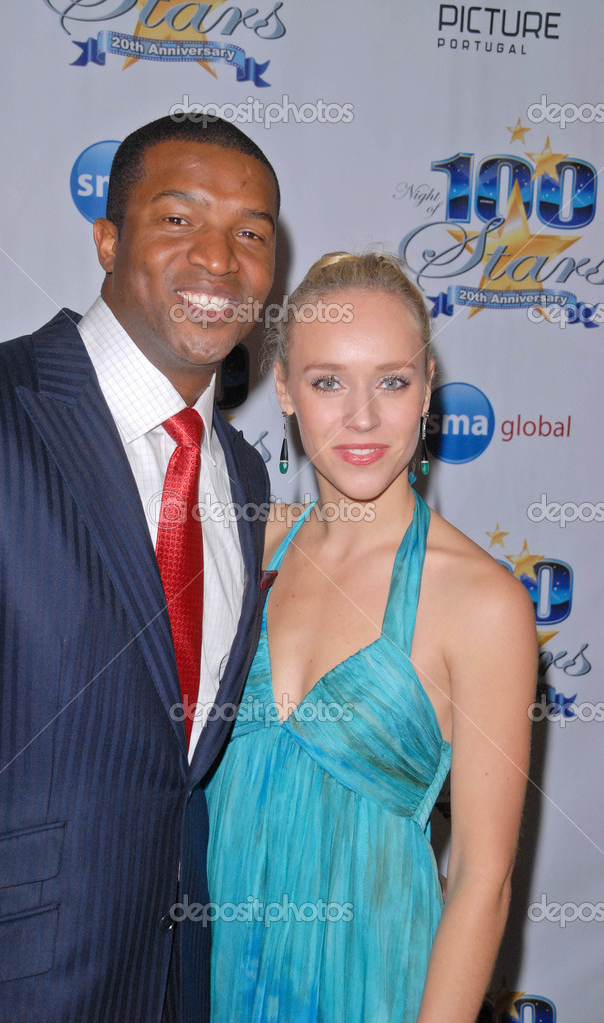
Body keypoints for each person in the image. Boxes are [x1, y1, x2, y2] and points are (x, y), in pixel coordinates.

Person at [0, 114, 278, 1022]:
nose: (218, 258)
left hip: (175, 976)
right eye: (177, 219)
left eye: (250, 233)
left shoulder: (242, 473)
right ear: (107, 239)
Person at [205, 251, 537, 1021]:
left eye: (391, 380)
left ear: (426, 388)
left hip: (376, 984)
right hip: (215, 976)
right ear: (284, 388)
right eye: (327, 381)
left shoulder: (480, 601)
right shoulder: (248, 549)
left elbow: (483, 880)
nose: (361, 417)